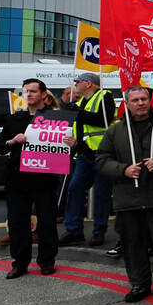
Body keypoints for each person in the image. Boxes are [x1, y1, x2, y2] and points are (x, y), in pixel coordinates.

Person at [95, 85, 153, 304]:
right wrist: (122, 169)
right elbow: (101, 159)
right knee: (133, 244)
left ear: (150, 100)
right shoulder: (115, 131)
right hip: (128, 199)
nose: (140, 103)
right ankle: (139, 284)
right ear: (127, 104)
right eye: (135, 100)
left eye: (144, 98)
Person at [0, 78, 63, 278]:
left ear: (44, 94)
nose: (29, 94)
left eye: (33, 91)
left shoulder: (56, 119)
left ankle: (47, 262)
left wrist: (72, 143)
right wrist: (12, 141)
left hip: (45, 178)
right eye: (26, 91)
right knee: (17, 222)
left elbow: (65, 150)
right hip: (17, 179)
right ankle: (19, 263)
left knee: (47, 222)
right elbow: (0, 147)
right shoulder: (13, 119)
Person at [59, 72, 116, 246]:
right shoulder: (82, 102)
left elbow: (102, 121)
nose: (75, 85)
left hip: (102, 153)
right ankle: (74, 230)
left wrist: (78, 112)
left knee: (101, 193)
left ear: (88, 84)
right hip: (85, 153)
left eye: (78, 82)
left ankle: (99, 231)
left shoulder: (105, 96)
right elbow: (82, 128)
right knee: (74, 188)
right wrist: (75, 143)